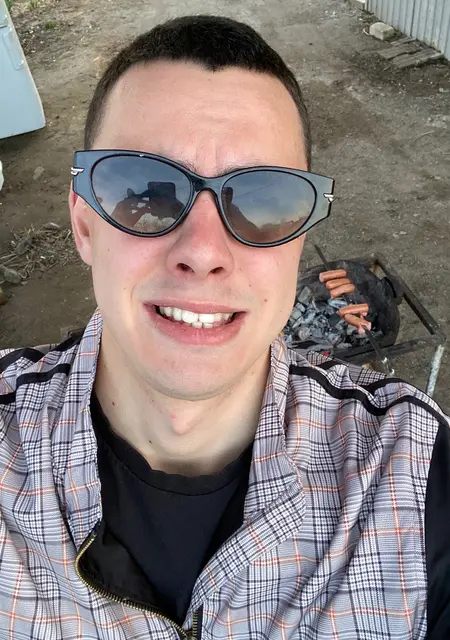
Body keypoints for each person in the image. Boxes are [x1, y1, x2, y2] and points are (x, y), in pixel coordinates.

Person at [0, 15, 448, 640]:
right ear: (84, 226)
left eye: (263, 200)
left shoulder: (413, 474)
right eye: (146, 191)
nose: (203, 251)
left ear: (299, 243)